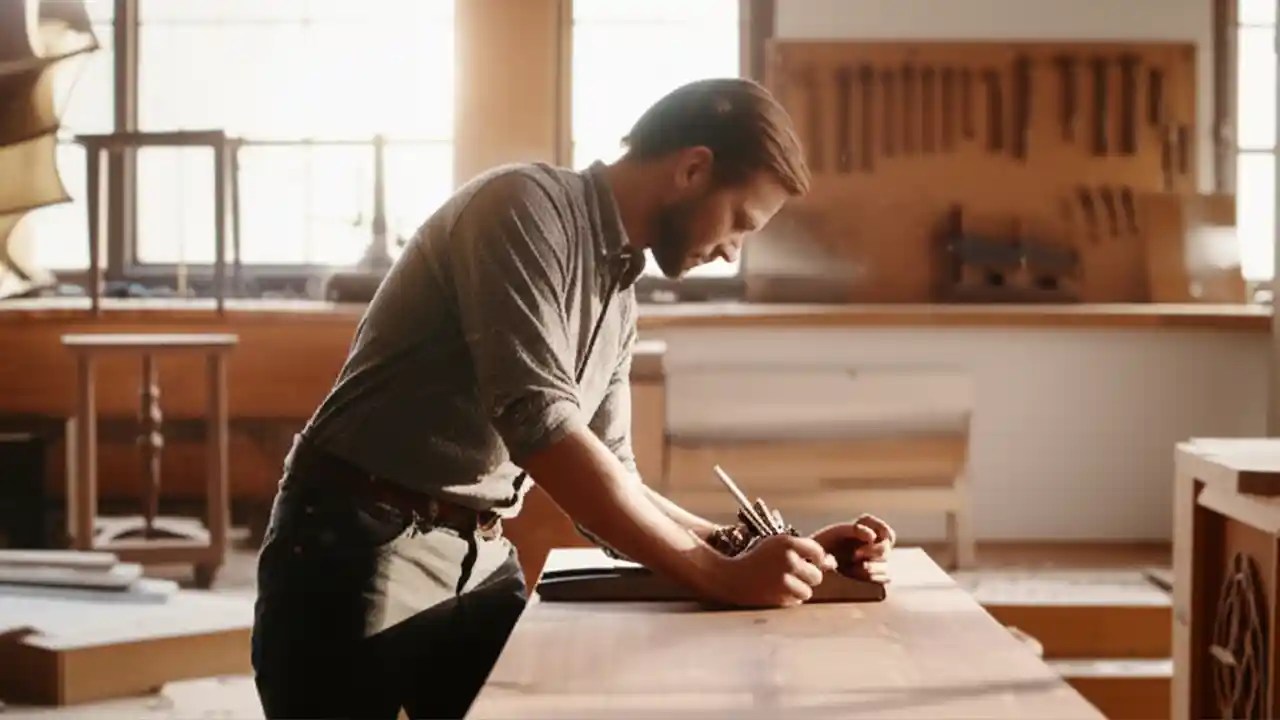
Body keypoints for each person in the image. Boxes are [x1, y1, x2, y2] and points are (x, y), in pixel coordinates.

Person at [250, 77, 896, 720]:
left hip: (480, 548)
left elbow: (614, 479)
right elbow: (540, 426)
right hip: (358, 538)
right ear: (694, 168)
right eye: (739, 223)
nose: (732, 252)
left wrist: (758, 550)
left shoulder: (618, 294)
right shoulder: (522, 207)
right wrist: (722, 576)